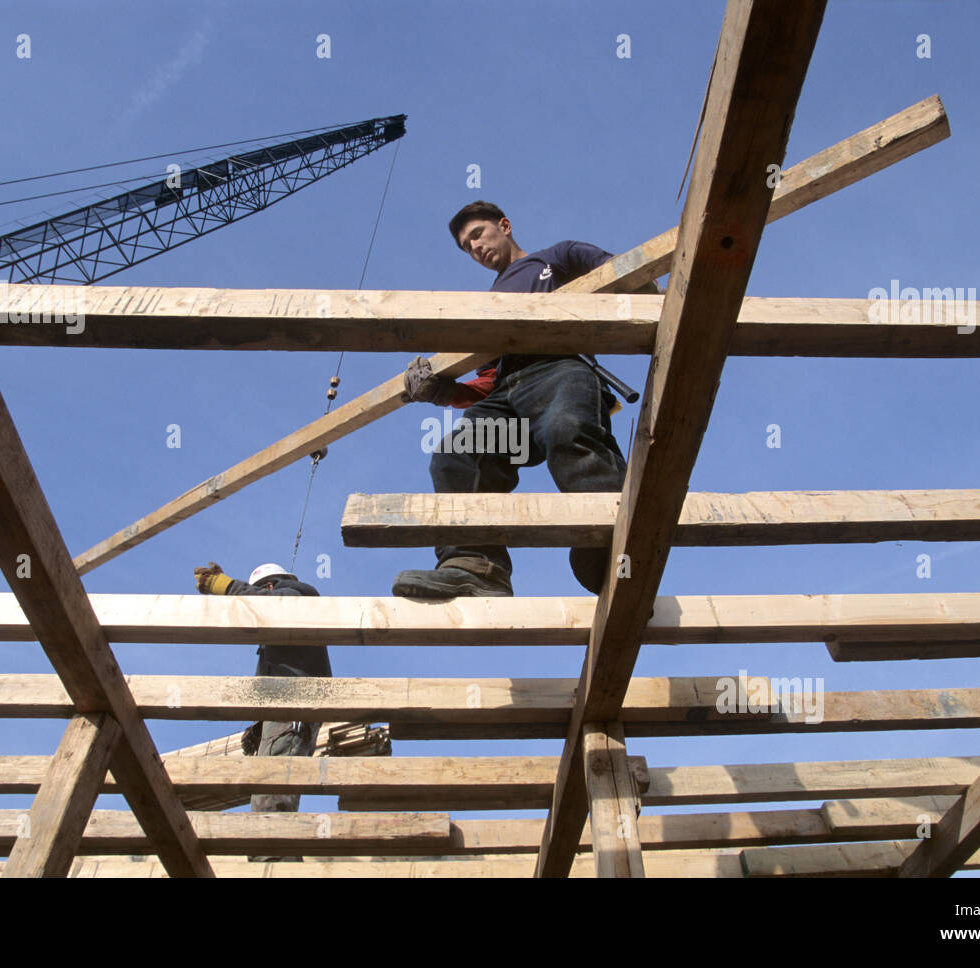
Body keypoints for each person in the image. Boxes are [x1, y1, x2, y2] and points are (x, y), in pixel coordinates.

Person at [393, 200, 654, 599]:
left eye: (478, 234)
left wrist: (648, 289)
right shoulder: (490, 305)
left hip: (558, 368)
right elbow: (486, 379)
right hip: (507, 396)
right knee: (456, 455)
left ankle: (609, 539)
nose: (475, 248)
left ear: (505, 225)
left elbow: (623, 274)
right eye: (466, 246)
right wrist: (441, 390)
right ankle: (475, 567)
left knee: (566, 429)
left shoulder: (556, 257)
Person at [194, 560, 331, 860]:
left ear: (268, 586)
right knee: (266, 789)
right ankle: (269, 856)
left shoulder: (294, 595)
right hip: (285, 706)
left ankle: (274, 861)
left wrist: (227, 586)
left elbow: (273, 606)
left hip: (293, 702)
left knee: (274, 788)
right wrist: (258, 725)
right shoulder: (280, 632)